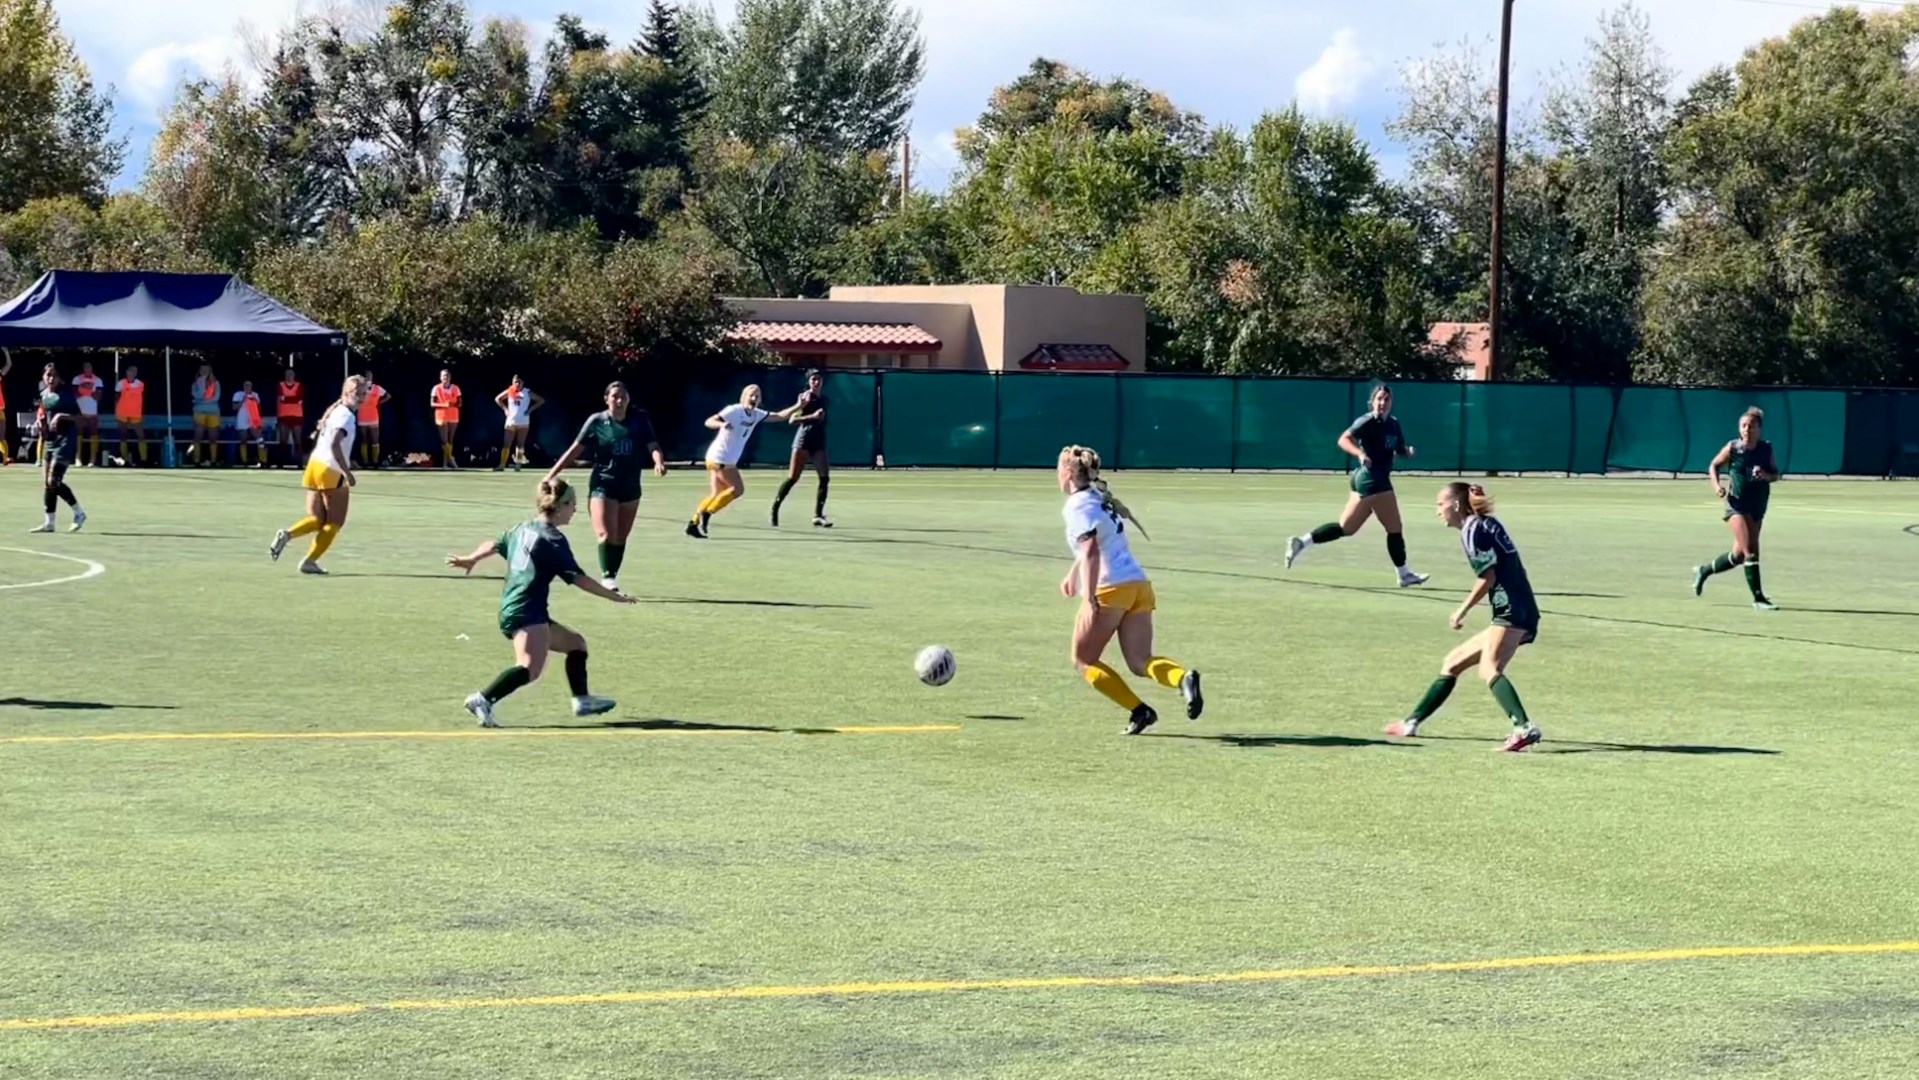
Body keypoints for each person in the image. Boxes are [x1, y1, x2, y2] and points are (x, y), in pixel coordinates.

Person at [446, 478, 635, 726]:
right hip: (526, 611)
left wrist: (472, 558)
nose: (575, 510)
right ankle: (483, 698)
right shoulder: (552, 540)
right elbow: (578, 579)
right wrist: (614, 596)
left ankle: (582, 700)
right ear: (560, 506)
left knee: (576, 645)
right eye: (572, 505)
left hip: (518, 607)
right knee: (529, 669)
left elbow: (495, 543)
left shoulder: (522, 528)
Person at [1055, 446, 1202, 735]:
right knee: (1140, 661)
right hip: (1137, 584)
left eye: (1059, 469)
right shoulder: (1098, 497)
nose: (1056, 475)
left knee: (1083, 659)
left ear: (1069, 473)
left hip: (1110, 588)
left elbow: (1091, 552)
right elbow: (1099, 542)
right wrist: (1073, 574)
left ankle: (1140, 710)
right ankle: (1182, 678)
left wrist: (1089, 597)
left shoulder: (1076, 505)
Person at [1385, 483, 1542, 752]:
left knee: (1488, 668)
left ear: (1456, 505)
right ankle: (1411, 722)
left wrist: (1462, 609)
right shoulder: (1484, 523)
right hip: (1518, 606)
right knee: (1453, 662)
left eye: (1440, 504)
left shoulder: (1472, 530)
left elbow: (1488, 576)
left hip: (1511, 610)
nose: (1438, 512)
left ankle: (1523, 727)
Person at [1284, 383, 1429, 588]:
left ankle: (1303, 542)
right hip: (1373, 479)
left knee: (1347, 528)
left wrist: (1407, 452)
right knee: (1395, 528)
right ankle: (1404, 574)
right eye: (1379, 399)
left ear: (1391, 402)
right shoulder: (1367, 421)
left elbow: (1398, 450)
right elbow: (1344, 439)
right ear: (1372, 401)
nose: (1382, 403)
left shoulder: (1394, 424)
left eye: (1386, 399)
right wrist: (1360, 454)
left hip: (1367, 479)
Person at [544, 381, 666, 592]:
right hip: (603, 483)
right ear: (606, 399)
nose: (619, 401)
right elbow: (575, 449)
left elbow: (653, 445)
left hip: (630, 485)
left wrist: (658, 461)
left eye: (623, 397)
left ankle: (612, 575)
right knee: (606, 535)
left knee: (620, 537)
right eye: (615, 396)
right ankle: (607, 578)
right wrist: (551, 474)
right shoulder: (597, 421)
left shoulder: (639, 419)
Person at [270, 376, 368, 575]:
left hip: (314, 465)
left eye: (364, 393)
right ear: (348, 393)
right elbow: (334, 444)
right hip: (331, 470)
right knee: (334, 523)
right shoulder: (346, 416)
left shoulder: (336, 410)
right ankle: (309, 561)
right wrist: (348, 473)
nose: (362, 397)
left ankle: (287, 534)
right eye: (358, 393)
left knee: (317, 519)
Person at [1692, 407, 1780, 611]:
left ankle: (1704, 571)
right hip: (1736, 505)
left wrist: (1766, 476)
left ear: (1759, 429)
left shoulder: (1766, 449)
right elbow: (1714, 465)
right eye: (1743, 426)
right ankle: (1758, 599)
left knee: (1739, 555)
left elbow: (1775, 474)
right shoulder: (1733, 448)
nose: (1747, 429)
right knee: (1751, 552)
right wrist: (1716, 486)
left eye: (1751, 426)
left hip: (1758, 504)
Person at [687, 385, 798, 539]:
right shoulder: (734, 410)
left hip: (718, 458)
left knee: (716, 493)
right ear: (744, 396)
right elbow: (709, 421)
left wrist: (799, 405)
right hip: (721, 457)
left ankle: (693, 523)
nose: (754, 398)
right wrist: (722, 424)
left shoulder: (756, 414)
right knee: (738, 489)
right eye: (751, 395)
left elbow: (779, 416)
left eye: (757, 396)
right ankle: (707, 513)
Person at [770, 368, 834, 528]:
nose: (816, 382)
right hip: (803, 441)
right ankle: (775, 509)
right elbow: (792, 420)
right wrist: (812, 417)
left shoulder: (825, 400)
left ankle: (818, 516)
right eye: (813, 379)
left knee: (825, 478)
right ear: (808, 382)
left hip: (818, 442)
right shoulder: (804, 398)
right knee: (793, 478)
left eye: (819, 379)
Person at [29, 365, 86, 533]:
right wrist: (39, 424)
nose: (51, 379)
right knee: (48, 483)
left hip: (65, 441)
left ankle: (79, 513)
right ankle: (49, 523)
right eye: (48, 375)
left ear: (59, 378)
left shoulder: (66, 395)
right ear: (43, 377)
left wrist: (61, 416)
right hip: (50, 442)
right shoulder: (44, 396)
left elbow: (80, 418)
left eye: (54, 375)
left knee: (54, 480)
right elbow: (43, 415)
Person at [494, 375, 544, 471]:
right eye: (515, 382)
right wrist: (505, 409)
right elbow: (497, 399)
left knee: (520, 444)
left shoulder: (527, 392)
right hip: (511, 421)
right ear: (512, 382)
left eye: (519, 382)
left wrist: (530, 410)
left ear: (522, 383)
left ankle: (518, 465)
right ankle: (502, 465)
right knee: (506, 444)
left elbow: (541, 400)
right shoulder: (510, 391)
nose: (517, 384)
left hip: (523, 421)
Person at [114, 364, 147, 465]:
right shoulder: (120, 383)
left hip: (135, 413)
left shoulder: (140, 384)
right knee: (123, 436)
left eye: (135, 371)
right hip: (122, 413)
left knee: (141, 436)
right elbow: (116, 397)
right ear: (127, 372)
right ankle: (124, 459)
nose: (132, 373)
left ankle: (143, 460)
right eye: (131, 370)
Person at [71, 361, 103, 467]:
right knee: (78, 433)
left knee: (93, 433)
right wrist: (89, 391)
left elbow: (98, 396)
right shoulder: (77, 379)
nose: (88, 369)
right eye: (86, 367)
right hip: (79, 410)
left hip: (92, 411)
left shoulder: (98, 380)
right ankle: (77, 458)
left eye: (89, 367)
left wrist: (83, 390)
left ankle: (92, 459)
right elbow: (75, 394)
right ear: (83, 369)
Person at [190, 364, 221, 466]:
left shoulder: (216, 383)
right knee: (198, 436)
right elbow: (197, 395)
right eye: (202, 370)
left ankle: (213, 460)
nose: (204, 371)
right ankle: (196, 460)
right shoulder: (195, 384)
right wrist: (202, 382)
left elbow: (216, 397)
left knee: (213, 437)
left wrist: (202, 400)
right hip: (199, 412)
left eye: (206, 370)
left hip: (213, 412)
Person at [431, 369, 462, 469]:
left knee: (450, 440)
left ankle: (445, 463)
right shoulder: (436, 388)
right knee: (444, 441)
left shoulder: (456, 388)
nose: (446, 377)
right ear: (440, 377)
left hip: (453, 416)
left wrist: (452, 404)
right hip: (441, 415)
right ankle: (451, 461)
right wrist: (444, 404)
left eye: (447, 375)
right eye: (444, 376)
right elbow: (432, 403)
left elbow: (460, 403)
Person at [356, 370, 388, 467]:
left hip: (373, 416)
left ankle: (375, 462)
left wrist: (378, 403)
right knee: (364, 439)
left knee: (375, 439)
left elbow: (388, 395)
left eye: (370, 376)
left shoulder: (377, 388)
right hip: (362, 416)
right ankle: (365, 462)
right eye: (367, 376)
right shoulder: (359, 389)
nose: (369, 378)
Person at [232, 380, 266, 466]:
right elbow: (234, 408)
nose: (247, 388)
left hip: (253, 418)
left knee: (259, 438)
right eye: (245, 386)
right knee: (243, 439)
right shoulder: (238, 395)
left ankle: (263, 460)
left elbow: (260, 409)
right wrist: (243, 400)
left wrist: (255, 401)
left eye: (249, 386)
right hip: (242, 419)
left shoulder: (255, 395)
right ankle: (244, 461)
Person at [276, 368, 305, 468]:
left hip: (296, 415)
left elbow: (299, 399)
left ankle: (300, 463)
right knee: (283, 440)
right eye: (287, 374)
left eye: (291, 374)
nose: (289, 376)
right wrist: (292, 399)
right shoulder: (281, 385)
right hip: (284, 415)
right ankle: (280, 463)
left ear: (294, 375)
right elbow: (281, 398)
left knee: (297, 440)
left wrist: (287, 399)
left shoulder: (299, 385)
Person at [0, 349, 12, 465]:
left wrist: (5, 351)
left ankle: (5, 458)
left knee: (2, 436)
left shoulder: (0, 374)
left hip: (0, 409)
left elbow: (9, 364)